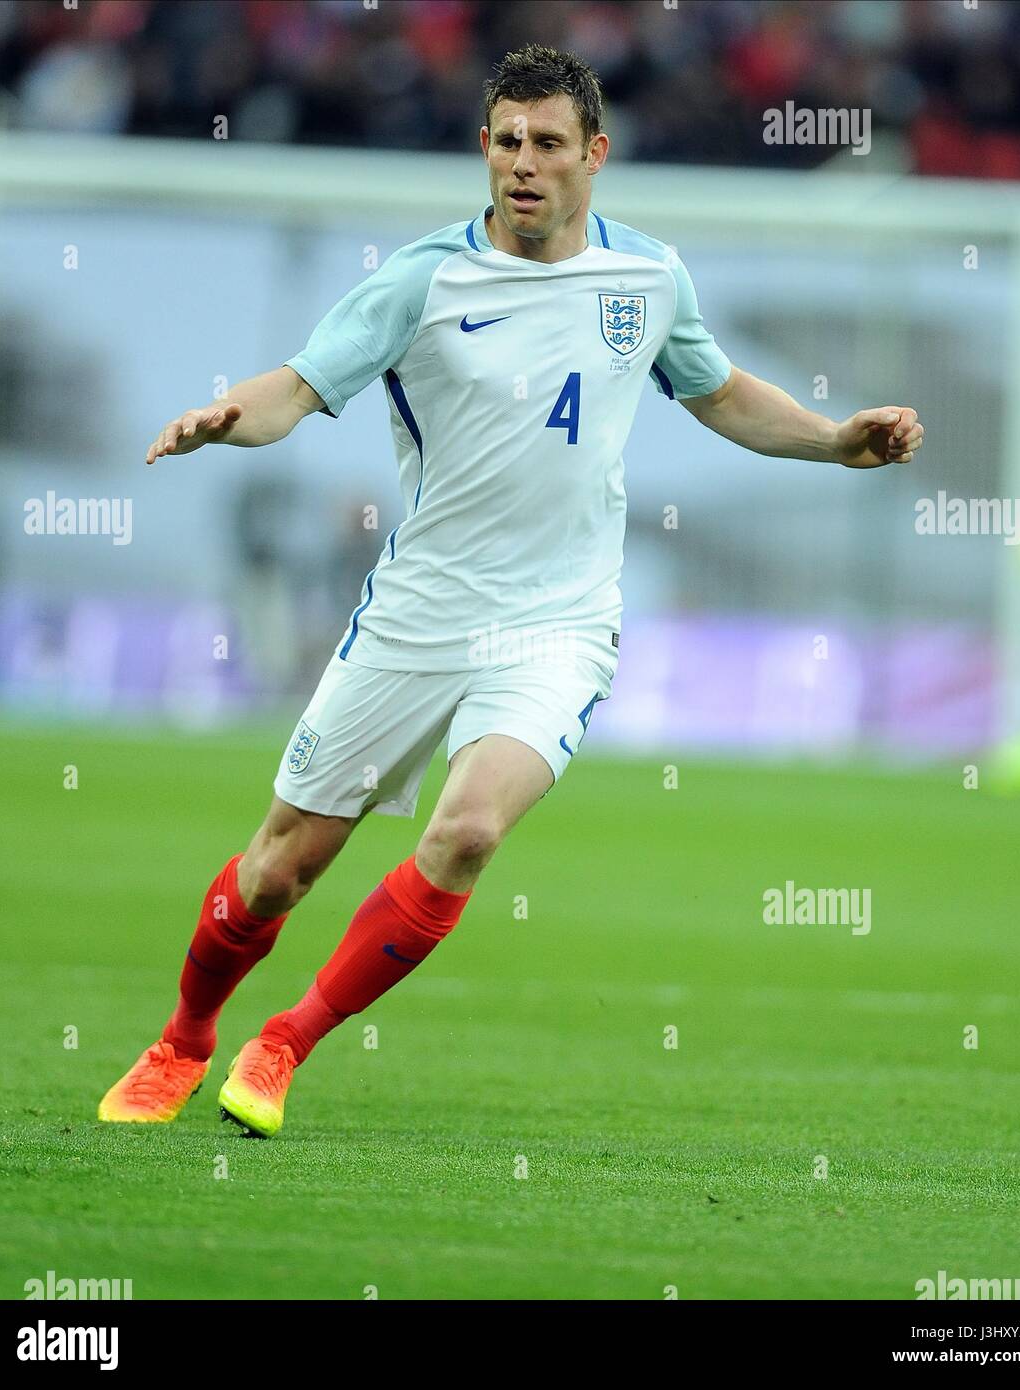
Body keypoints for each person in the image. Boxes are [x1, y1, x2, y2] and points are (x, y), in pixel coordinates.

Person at [99, 44, 924, 1137]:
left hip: (559, 624)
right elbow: (294, 390)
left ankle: (285, 1041)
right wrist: (224, 417)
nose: (522, 165)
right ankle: (184, 1038)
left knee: (469, 831)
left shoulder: (649, 277)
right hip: (421, 612)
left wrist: (833, 440)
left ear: (596, 154)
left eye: (545, 144)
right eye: (504, 141)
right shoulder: (423, 279)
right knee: (278, 870)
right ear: (484, 148)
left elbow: (717, 391)